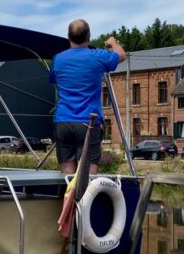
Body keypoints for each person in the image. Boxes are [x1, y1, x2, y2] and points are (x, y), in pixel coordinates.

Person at [49, 19, 127, 174]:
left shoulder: (57, 59)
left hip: (63, 120)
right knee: (89, 170)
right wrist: (112, 42)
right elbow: (121, 55)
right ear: (89, 36)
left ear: (69, 37)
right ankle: (87, 198)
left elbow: (53, 81)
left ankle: (68, 198)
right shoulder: (98, 56)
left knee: (67, 168)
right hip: (88, 121)